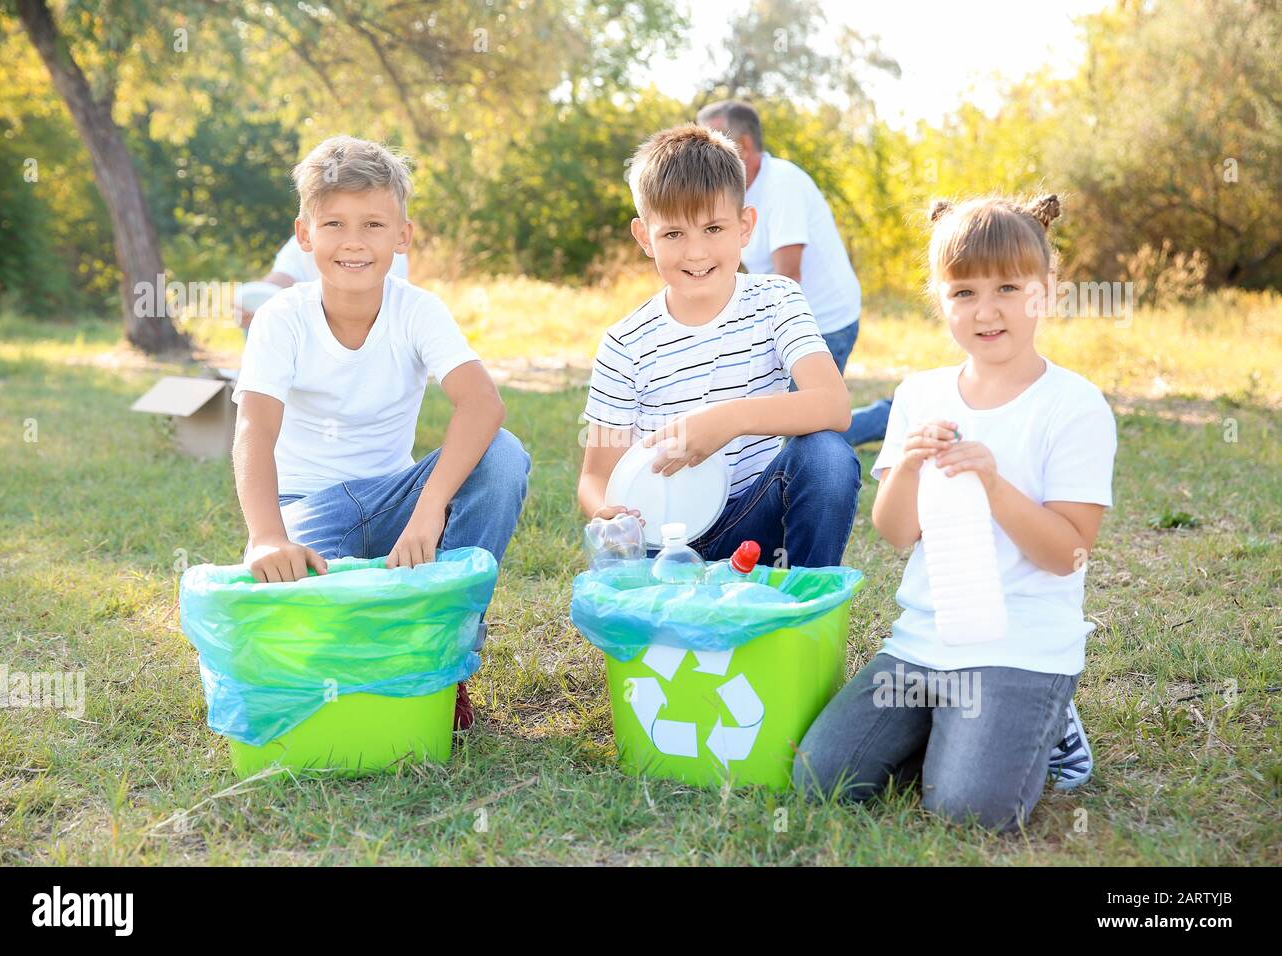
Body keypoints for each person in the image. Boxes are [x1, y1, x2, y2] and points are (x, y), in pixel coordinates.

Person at [794, 194, 1115, 830]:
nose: (986, 310)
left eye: (1008, 288)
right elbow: (894, 533)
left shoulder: (1074, 406)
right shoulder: (921, 394)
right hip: (925, 642)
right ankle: (963, 729)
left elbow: (1067, 552)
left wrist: (993, 484)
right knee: (820, 779)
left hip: (1018, 645)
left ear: (1046, 292)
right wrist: (909, 466)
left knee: (969, 810)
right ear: (939, 298)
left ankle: (1047, 725)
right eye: (963, 292)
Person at [232, 135, 531, 730]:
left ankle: (446, 656)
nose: (353, 242)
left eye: (373, 224)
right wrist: (267, 537)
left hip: (398, 501)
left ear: (402, 237)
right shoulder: (280, 318)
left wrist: (429, 510)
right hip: (310, 511)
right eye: (334, 224)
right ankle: (379, 651)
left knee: (503, 456)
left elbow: (482, 404)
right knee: (316, 635)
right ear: (304, 234)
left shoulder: (417, 310)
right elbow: (254, 430)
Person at [577, 124, 860, 569]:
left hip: (753, 528)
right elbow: (595, 475)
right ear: (644, 237)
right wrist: (606, 512)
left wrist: (724, 421)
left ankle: (802, 604)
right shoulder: (624, 344)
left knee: (826, 455)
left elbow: (833, 405)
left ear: (744, 225)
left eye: (713, 227)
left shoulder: (776, 300)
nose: (695, 252)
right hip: (662, 541)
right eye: (673, 234)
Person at [697, 99, 892, 446]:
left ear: (742, 147)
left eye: (713, 143)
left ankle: (894, 415)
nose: (704, 156)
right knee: (785, 431)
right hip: (790, 315)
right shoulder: (737, 194)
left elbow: (789, 280)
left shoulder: (781, 186)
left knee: (803, 433)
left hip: (826, 320)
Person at [233, 234, 410, 332]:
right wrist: (253, 303)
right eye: (333, 222)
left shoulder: (388, 252)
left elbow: (367, 315)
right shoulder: (302, 243)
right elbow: (279, 279)